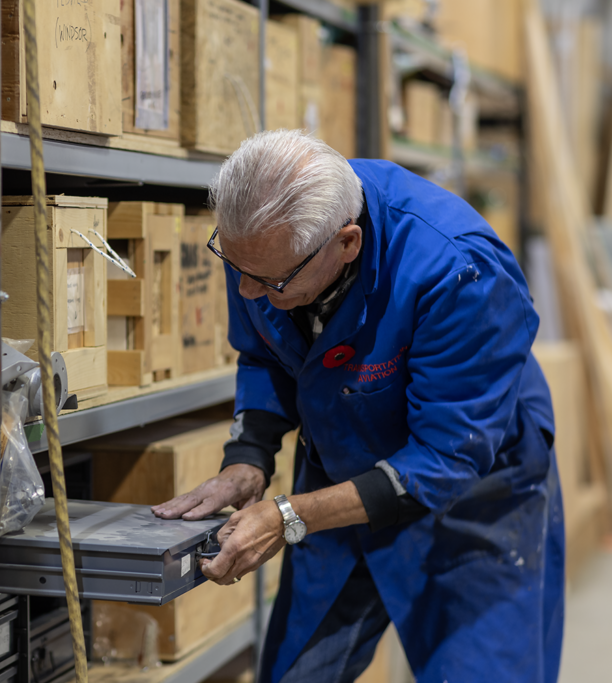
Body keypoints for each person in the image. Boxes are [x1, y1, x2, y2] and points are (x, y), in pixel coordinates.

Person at [152, 130, 564, 683]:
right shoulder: (263, 242)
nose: (247, 291)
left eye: (269, 281)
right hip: (343, 462)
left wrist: (292, 516)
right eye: (235, 266)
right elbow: (266, 353)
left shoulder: (459, 270)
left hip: (474, 490)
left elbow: (446, 458)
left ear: (346, 244)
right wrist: (248, 457)